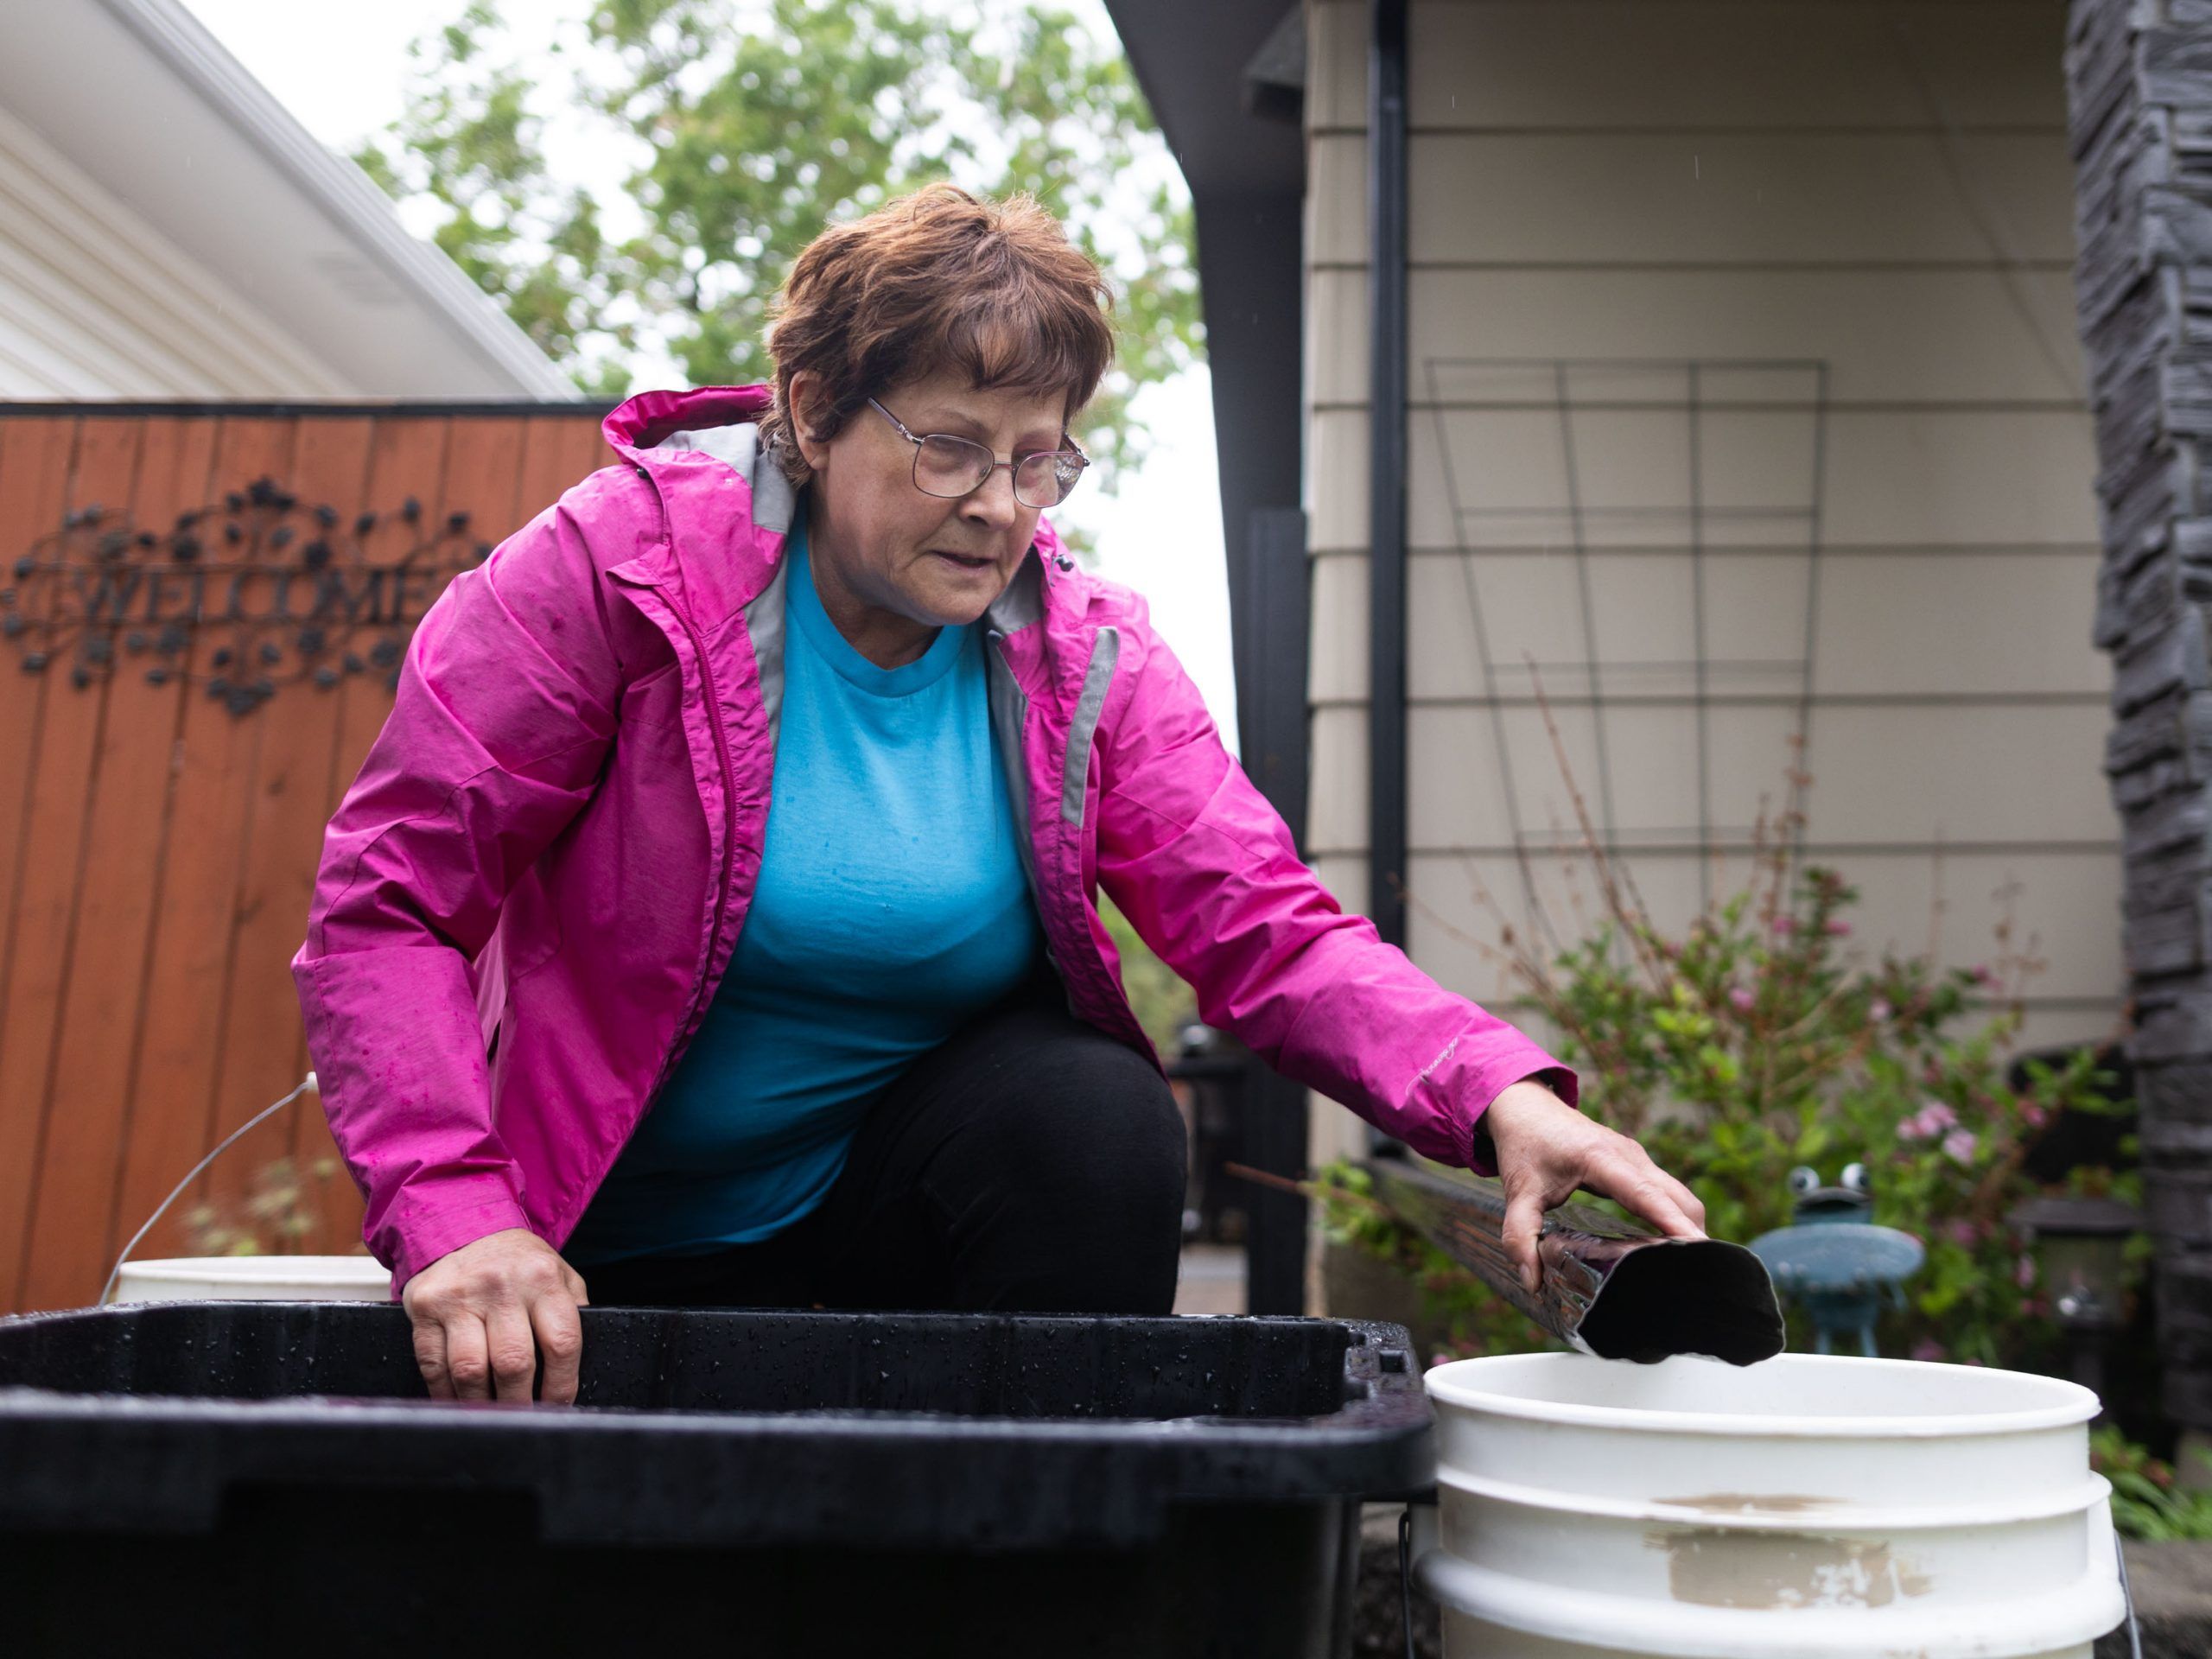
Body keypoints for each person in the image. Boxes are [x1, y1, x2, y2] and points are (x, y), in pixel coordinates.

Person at [291, 183, 1704, 1407]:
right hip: (594, 1250)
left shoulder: (1084, 661)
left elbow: (1266, 927)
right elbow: (390, 903)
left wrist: (1498, 1093)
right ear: (813, 413)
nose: (1000, 504)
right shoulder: (621, 573)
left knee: (1093, 1115)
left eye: (1039, 458)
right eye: (950, 447)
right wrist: (456, 1210)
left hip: (887, 1231)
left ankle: (1041, 1547)